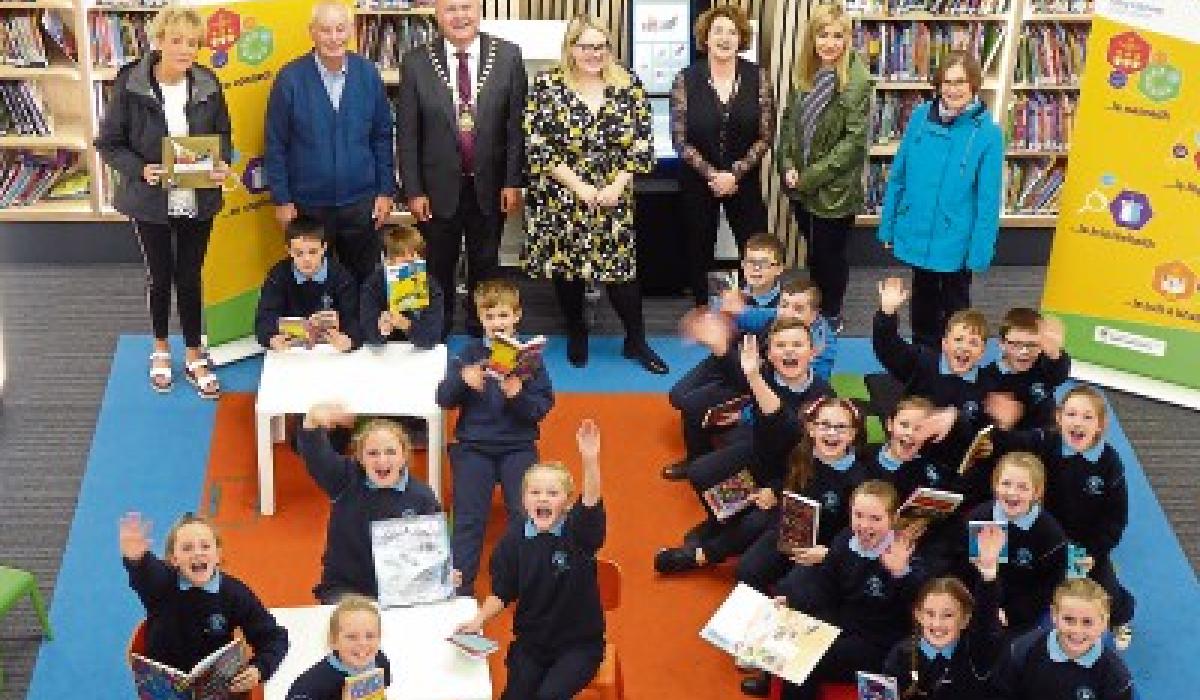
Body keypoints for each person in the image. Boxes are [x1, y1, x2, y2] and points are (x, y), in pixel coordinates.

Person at [94, 6, 232, 400]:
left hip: (197, 196)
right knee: (160, 275)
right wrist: (141, 170)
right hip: (150, 199)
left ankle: (192, 353)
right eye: (177, 41)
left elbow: (223, 136)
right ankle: (159, 348)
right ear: (159, 41)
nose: (185, 50)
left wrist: (219, 162)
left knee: (190, 276)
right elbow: (108, 144)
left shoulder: (208, 82)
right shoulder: (130, 85)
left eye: (192, 43)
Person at [522, 14, 667, 374]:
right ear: (571, 49)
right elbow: (538, 146)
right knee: (568, 269)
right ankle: (577, 332)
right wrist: (580, 187)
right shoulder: (547, 85)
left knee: (621, 272)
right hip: (561, 196)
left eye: (600, 46)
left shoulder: (628, 84)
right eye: (585, 45)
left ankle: (636, 340)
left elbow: (642, 143)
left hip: (613, 195)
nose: (593, 53)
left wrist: (617, 185)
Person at [654, 322, 833, 575]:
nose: (789, 351)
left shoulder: (823, 397)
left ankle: (720, 545)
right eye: (780, 346)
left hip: (797, 473)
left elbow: (811, 454)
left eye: (797, 345)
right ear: (769, 354)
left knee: (756, 520)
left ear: (813, 352)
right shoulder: (767, 375)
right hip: (761, 454)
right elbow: (738, 375)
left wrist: (776, 489)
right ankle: (722, 523)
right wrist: (720, 347)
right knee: (700, 472)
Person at [397, 0, 527, 339]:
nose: (459, 16)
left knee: (485, 264)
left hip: (492, 184)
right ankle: (437, 328)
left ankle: (479, 326)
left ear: (479, 10)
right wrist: (413, 189)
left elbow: (516, 128)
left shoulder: (509, 56)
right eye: (450, 9)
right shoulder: (415, 62)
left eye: (466, 7)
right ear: (437, 15)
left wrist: (513, 182)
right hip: (435, 188)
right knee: (438, 265)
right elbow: (407, 133)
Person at [456, 420, 607, 700]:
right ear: (523, 499)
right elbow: (503, 590)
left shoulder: (579, 532)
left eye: (553, 493)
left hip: (578, 646)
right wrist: (478, 620)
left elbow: (591, 502)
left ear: (567, 502)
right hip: (532, 644)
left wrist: (589, 460)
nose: (544, 499)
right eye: (535, 493)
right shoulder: (514, 539)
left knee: (548, 696)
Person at [990, 385, 1136, 649]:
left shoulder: (1109, 462)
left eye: (1087, 417)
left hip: (1086, 546)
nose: (1078, 423)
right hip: (1045, 538)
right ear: (1059, 418)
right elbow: (1008, 444)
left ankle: (1122, 617)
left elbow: (1116, 517)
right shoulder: (1046, 442)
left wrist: (1095, 551)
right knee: (1041, 584)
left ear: (1100, 425)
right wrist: (1003, 425)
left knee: (1106, 592)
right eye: (1071, 414)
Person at [877, 49, 1004, 349]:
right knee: (922, 300)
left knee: (956, 306)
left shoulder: (988, 134)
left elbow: (988, 201)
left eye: (960, 81)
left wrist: (980, 251)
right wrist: (888, 225)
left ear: (974, 84)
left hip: (955, 240)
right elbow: (900, 174)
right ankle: (923, 357)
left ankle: (956, 360)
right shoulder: (921, 117)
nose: (953, 89)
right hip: (918, 230)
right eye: (947, 82)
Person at [435, 279, 554, 596]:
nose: (497, 324)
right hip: (474, 448)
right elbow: (443, 399)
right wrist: (462, 380)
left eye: (503, 316)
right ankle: (461, 589)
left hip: (518, 447)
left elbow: (541, 408)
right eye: (490, 317)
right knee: (468, 518)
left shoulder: (531, 359)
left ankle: (524, 582)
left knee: (526, 513)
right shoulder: (468, 355)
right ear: (480, 319)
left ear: (516, 316)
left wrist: (517, 396)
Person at [265, 1, 396, 285]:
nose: (334, 38)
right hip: (308, 204)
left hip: (361, 203)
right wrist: (282, 199)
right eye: (325, 30)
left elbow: (382, 136)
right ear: (312, 32)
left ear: (352, 30)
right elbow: (275, 144)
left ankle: (359, 330)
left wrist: (386, 190)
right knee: (312, 281)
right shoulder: (290, 79)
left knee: (363, 280)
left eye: (340, 29)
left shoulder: (368, 74)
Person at [776, 480, 923, 700]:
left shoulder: (905, 554)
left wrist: (901, 572)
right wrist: (792, 604)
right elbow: (825, 588)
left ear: (893, 520)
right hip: (844, 621)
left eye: (875, 518)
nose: (865, 525)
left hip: (878, 642)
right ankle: (768, 677)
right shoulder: (844, 540)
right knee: (786, 631)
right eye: (859, 515)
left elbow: (918, 607)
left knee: (802, 660)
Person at [776, 1, 872, 334]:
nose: (829, 43)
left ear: (847, 39)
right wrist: (787, 163)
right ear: (812, 38)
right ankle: (816, 305)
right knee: (815, 251)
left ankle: (831, 313)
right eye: (822, 35)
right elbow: (789, 124)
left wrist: (810, 176)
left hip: (832, 190)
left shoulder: (857, 80)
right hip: (800, 184)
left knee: (830, 257)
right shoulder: (806, 71)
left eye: (837, 36)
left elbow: (854, 143)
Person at [118, 512, 288, 696]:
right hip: (165, 687)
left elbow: (274, 637)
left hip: (217, 687)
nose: (198, 552)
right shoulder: (161, 583)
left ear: (217, 555)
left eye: (205, 546)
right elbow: (146, 572)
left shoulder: (234, 594)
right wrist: (136, 559)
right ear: (173, 559)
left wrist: (259, 668)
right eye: (187, 548)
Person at [670, 4, 772, 306]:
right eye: (718, 31)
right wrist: (714, 175)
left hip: (745, 180)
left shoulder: (758, 77)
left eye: (732, 32)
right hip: (698, 179)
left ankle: (758, 306)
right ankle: (703, 306)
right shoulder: (685, 79)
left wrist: (734, 174)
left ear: (741, 38)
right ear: (706, 37)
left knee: (755, 248)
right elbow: (679, 139)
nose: (725, 38)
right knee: (698, 246)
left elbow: (766, 135)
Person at [295, 403, 444, 603]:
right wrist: (312, 420)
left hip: (403, 590)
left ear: (404, 456)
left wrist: (444, 573)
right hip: (345, 588)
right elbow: (316, 455)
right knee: (358, 624)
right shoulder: (344, 479)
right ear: (360, 458)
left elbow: (433, 551)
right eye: (372, 453)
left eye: (390, 452)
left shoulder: (422, 497)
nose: (382, 460)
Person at [664, 235, 786, 476]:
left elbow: (757, 367)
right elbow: (720, 331)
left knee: (692, 404)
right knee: (677, 395)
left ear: (779, 269)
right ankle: (715, 422)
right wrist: (708, 325)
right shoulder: (737, 293)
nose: (755, 269)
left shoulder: (783, 307)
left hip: (752, 373)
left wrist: (723, 341)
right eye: (750, 262)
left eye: (763, 263)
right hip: (724, 359)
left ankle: (696, 458)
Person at [882, 525, 1007, 700]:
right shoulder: (901, 656)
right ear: (918, 615)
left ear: (964, 620)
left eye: (948, 615)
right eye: (930, 613)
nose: (937, 623)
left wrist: (988, 575)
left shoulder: (977, 651)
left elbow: (985, 621)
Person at [961, 451, 1067, 638]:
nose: (1012, 493)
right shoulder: (979, 518)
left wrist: (1011, 614)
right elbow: (965, 569)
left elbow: (1049, 587)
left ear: (1036, 492)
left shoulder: (1050, 535)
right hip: (978, 604)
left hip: (1022, 615)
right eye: (1006, 484)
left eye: (1022, 487)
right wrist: (978, 606)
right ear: (995, 485)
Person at [998, 579, 1134, 699]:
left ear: (1104, 623)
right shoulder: (1022, 650)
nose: (1077, 630)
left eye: (1087, 622)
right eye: (1068, 619)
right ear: (1054, 615)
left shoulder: (1115, 676)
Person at [254, 215, 359, 354]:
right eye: (299, 253)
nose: (307, 259)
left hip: (331, 351)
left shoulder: (341, 277)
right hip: (292, 351)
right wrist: (271, 339)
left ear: (324, 248)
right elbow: (264, 319)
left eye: (313, 252)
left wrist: (349, 340)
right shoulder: (278, 276)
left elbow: (354, 319)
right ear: (289, 251)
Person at [978, 308, 1070, 431]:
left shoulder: (1043, 365)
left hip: (1045, 434)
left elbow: (1059, 373)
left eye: (1032, 344)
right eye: (1015, 344)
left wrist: (1054, 352)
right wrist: (999, 423)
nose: (1024, 351)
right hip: (1013, 439)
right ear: (1001, 343)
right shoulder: (988, 378)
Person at [285, 595, 391, 699]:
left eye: (370, 636)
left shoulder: (380, 661)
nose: (363, 643)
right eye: (351, 637)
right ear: (333, 641)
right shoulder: (312, 685)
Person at [359, 224, 445, 350]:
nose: (410, 260)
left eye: (415, 255)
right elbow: (368, 336)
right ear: (387, 260)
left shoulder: (431, 287)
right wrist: (381, 330)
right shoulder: (372, 285)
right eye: (403, 256)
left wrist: (405, 324)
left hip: (417, 351)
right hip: (384, 352)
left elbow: (431, 338)